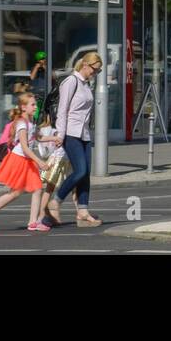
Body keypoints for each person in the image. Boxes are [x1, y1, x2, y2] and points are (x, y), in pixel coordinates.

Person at [0, 93, 52, 232]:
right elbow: (24, 147)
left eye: (35, 104)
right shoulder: (22, 124)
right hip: (19, 160)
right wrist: (39, 161)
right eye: (33, 105)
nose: (35, 107)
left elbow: (38, 137)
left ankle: (33, 222)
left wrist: (54, 139)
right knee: (15, 193)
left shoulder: (29, 123)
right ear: (23, 107)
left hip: (26, 160)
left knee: (37, 189)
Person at [51, 52, 103, 226]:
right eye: (95, 70)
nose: (95, 73)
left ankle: (83, 211)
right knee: (79, 171)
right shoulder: (71, 82)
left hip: (85, 134)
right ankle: (56, 200)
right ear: (86, 65)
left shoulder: (86, 85)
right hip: (71, 134)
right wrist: (60, 134)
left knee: (86, 174)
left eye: (98, 71)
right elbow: (62, 110)